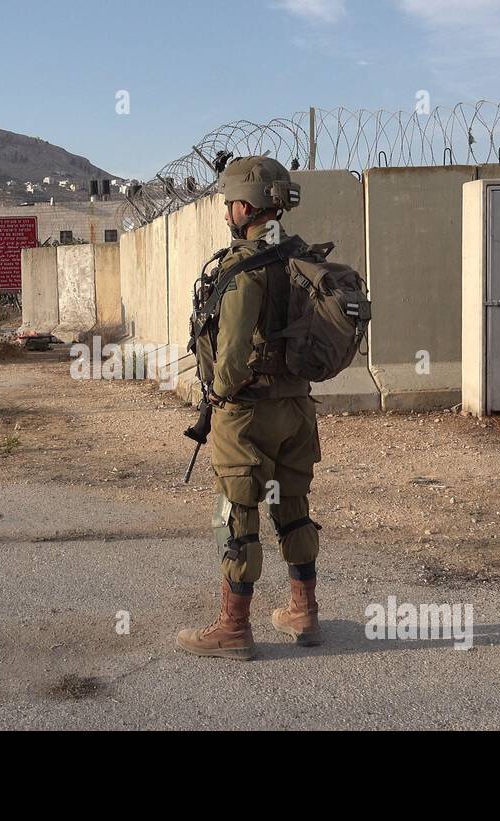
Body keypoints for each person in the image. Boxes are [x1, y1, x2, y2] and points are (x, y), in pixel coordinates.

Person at [176, 156, 322, 661]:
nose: (224, 215)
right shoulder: (302, 259)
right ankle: (304, 610)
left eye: (227, 205)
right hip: (298, 407)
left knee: (238, 512)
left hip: (248, 413)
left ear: (246, 206)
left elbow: (234, 353)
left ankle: (234, 627)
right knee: (293, 506)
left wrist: (216, 397)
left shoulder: (244, 271)